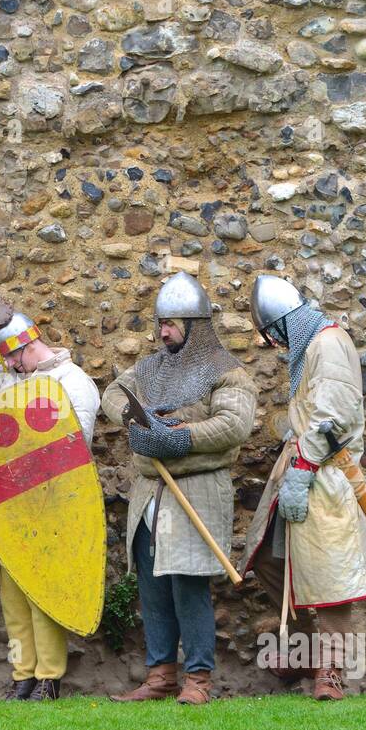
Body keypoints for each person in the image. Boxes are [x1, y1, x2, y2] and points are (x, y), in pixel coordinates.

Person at [102, 272, 258, 705]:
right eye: (161, 323)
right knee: (152, 586)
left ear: (195, 325)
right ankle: (160, 675)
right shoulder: (150, 369)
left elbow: (234, 425)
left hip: (197, 491)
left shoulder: (227, 373)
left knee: (188, 586)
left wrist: (180, 437)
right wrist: (136, 419)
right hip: (150, 491)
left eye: (171, 324)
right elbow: (113, 394)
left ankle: (198, 680)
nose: (163, 331)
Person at [0, 301, 102, 701]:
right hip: (10, 508)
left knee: (44, 593)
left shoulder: (74, 383)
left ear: (24, 347)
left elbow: (74, 452)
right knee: (14, 598)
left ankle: (49, 678)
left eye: (10, 358)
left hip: (52, 506)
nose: (8, 366)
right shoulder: (7, 383)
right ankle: (23, 675)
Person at [241, 274, 366, 701]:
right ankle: (303, 650)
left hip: (326, 473)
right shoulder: (312, 344)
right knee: (267, 557)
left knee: (332, 580)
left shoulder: (328, 344)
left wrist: (303, 468)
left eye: (272, 336)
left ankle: (331, 671)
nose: (275, 346)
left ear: (284, 323)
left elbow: (333, 416)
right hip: (299, 466)